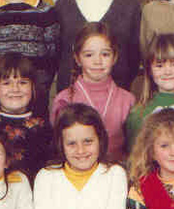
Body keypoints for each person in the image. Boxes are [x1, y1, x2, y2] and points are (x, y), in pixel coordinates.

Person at [50, 22, 136, 164]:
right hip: (76, 173)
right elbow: (60, 146)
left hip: (117, 173)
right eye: (89, 55)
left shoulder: (127, 100)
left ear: (115, 57)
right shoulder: (64, 100)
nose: (98, 61)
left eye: (105, 54)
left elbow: (133, 149)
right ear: (77, 58)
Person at [0, 53, 53, 181]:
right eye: (6, 83)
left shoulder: (43, 127)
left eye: (22, 83)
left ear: (33, 87)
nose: (15, 89)